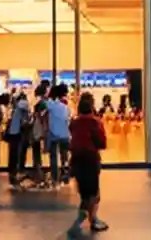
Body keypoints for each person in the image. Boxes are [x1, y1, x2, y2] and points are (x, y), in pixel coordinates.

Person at [67, 92, 108, 237]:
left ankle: (86, 214)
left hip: (76, 158)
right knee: (94, 193)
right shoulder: (95, 122)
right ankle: (91, 218)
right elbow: (102, 142)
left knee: (84, 191)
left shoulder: (74, 123)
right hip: (90, 159)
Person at [46, 83, 72, 186]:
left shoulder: (50, 105)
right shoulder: (65, 107)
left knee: (53, 157)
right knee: (64, 156)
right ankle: (65, 175)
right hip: (65, 134)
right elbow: (68, 119)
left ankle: (54, 177)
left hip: (53, 134)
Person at [5, 91, 30, 188]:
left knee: (13, 153)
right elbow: (25, 121)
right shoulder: (23, 106)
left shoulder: (15, 108)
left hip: (13, 132)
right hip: (19, 132)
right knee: (19, 153)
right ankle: (17, 172)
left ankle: (12, 172)